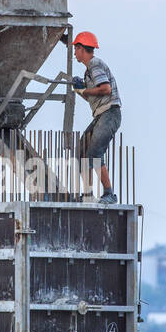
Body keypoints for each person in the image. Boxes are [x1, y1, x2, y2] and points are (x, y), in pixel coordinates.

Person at [70, 31, 121, 205]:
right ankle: (88, 194)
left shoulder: (94, 64)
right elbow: (93, 95)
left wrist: (84, 89)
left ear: (82, 49)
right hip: (101, 115)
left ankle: (109, 194)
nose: (74, 53)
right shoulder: (89, 71)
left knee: (95, 153)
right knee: (82, 152)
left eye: (76, 49)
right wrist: (80, 89)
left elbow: (105, 89)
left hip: (109, 113)